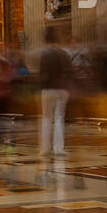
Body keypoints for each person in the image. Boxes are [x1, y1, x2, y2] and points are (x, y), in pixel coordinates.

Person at [38, 29, 70, 157]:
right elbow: (68, 70)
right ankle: (59, 149)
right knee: (59, 118)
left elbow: (42, 73)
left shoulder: (44, 54)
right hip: (62, 89)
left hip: (48, 89)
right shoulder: (63, 53)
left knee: (46, 118)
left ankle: (45, 149)